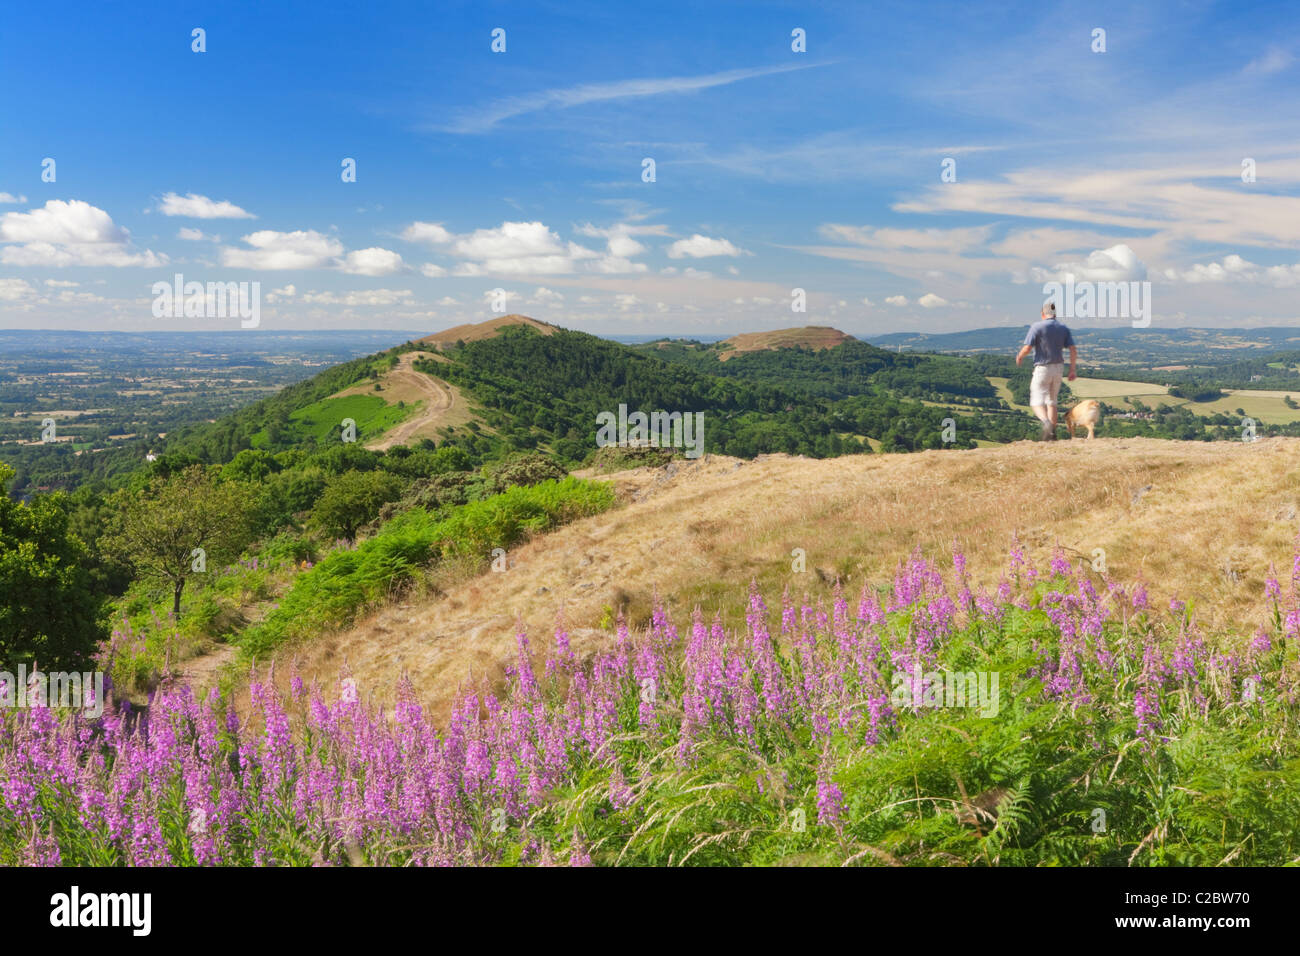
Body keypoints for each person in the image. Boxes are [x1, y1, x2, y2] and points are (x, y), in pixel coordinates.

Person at [1016, 301, 1077, 441]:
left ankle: (1046, 423)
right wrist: (1072, 369)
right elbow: (1073, 349)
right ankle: (1052, 434)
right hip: (1058, 368)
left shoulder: (1037, 326)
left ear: (1043, 314)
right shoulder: (1063, 328)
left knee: (1036, 401)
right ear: (1055, 315)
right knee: (1052, 401)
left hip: (1043, 368)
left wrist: (1019, 356)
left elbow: (1027, 348)